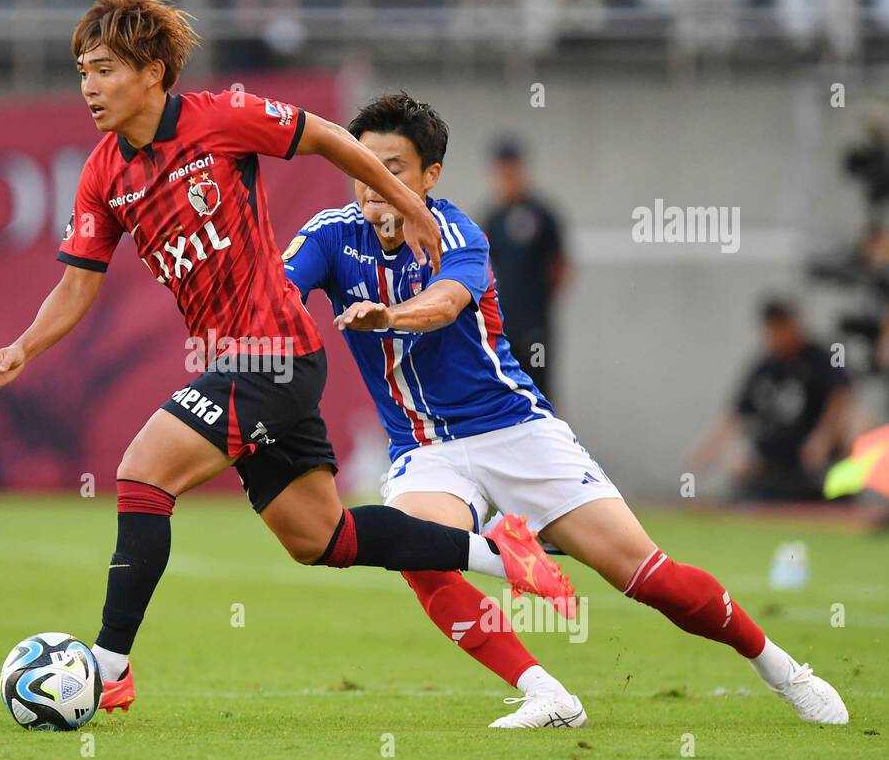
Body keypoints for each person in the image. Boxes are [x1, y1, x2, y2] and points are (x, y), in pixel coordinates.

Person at [0, 0, 572, 715]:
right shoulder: (104, 173)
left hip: (276, 353)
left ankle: (109, 665)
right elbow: (76, 288)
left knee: (141, 474)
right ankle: (501, 554)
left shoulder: (219, 118)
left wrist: (409, 204)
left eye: (103, 69)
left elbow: (330, 139)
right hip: (236, 363)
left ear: (153, 71)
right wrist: (22, 347)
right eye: (81, 71)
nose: (88, 87)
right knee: (321, 536)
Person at [284, 92, 848, 726]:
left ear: (429, 176)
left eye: (392, 168)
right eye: (362, 165)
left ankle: (778, 666)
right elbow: (278, 292)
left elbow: (443, 305)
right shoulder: (332, 236)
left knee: (647, 575)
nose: (374, 184)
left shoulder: (459, 232)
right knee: (420, 556)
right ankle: (546, 693)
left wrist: (390, 317)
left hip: (516, 432)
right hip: (426, 451)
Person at [693, 298, 853, 503]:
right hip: (772, 460)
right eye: (772, 328)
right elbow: (735, 414)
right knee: (737, 461)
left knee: (857, 426)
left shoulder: (820, 359)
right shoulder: (764, 367)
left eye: (782, 326)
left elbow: (841, 397)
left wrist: (823, 437)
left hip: (811, 459)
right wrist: (705, 454)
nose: (777, 335)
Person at [480, 136, 568, 402]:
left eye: (511, 171)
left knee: (540, 392)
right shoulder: (492, 218)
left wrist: (539, 300)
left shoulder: (542, 215)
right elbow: (481, 267)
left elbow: (560, 265)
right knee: (505, 394)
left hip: (535, 325)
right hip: (503, 327)